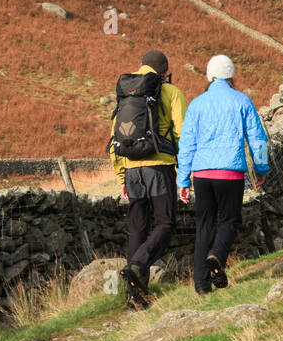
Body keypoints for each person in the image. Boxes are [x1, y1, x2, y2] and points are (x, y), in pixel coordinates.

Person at [176, 54, 270, 294]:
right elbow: (257, 139)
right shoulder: (242, 101)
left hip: (202, 174)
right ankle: (217, 255)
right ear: (231, 75)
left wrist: (183, 180)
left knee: (204, 224)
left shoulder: (197, 104)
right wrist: (261, 169)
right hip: (231, 173)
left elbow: (187, 144)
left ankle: (201, 285)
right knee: (230, 220)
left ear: (210, 76)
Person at [109, 49, 185, 309]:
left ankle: (135, 298)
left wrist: (121, 174)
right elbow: (182, 134)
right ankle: (138, 264)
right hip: (159, 167)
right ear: (164, 70)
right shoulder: (170, 92)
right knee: (164, 222)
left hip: (131, 168)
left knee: (137, 228)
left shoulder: (126, 93)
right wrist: (185, 174)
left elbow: (114, 138)